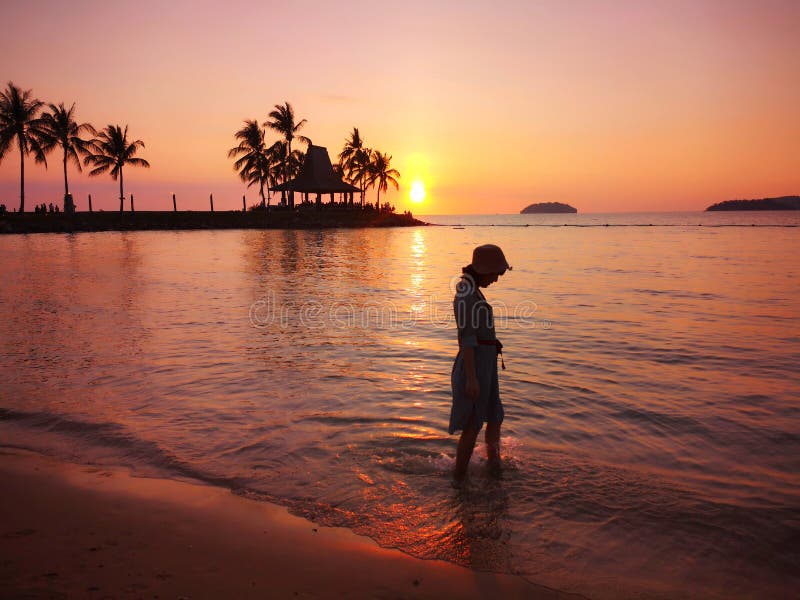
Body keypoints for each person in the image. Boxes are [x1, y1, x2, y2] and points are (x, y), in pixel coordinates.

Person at [450, 244, 511, 481]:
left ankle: (494, 469)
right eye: (496, 274)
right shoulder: (466, 296)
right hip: (473, 366)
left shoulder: (474, 291)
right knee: (473, 425)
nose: (496, 279)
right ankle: (459, 479)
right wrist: (472, 378)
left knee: (495, 416)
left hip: (486, 365)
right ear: (486, 270)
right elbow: (466, 339)